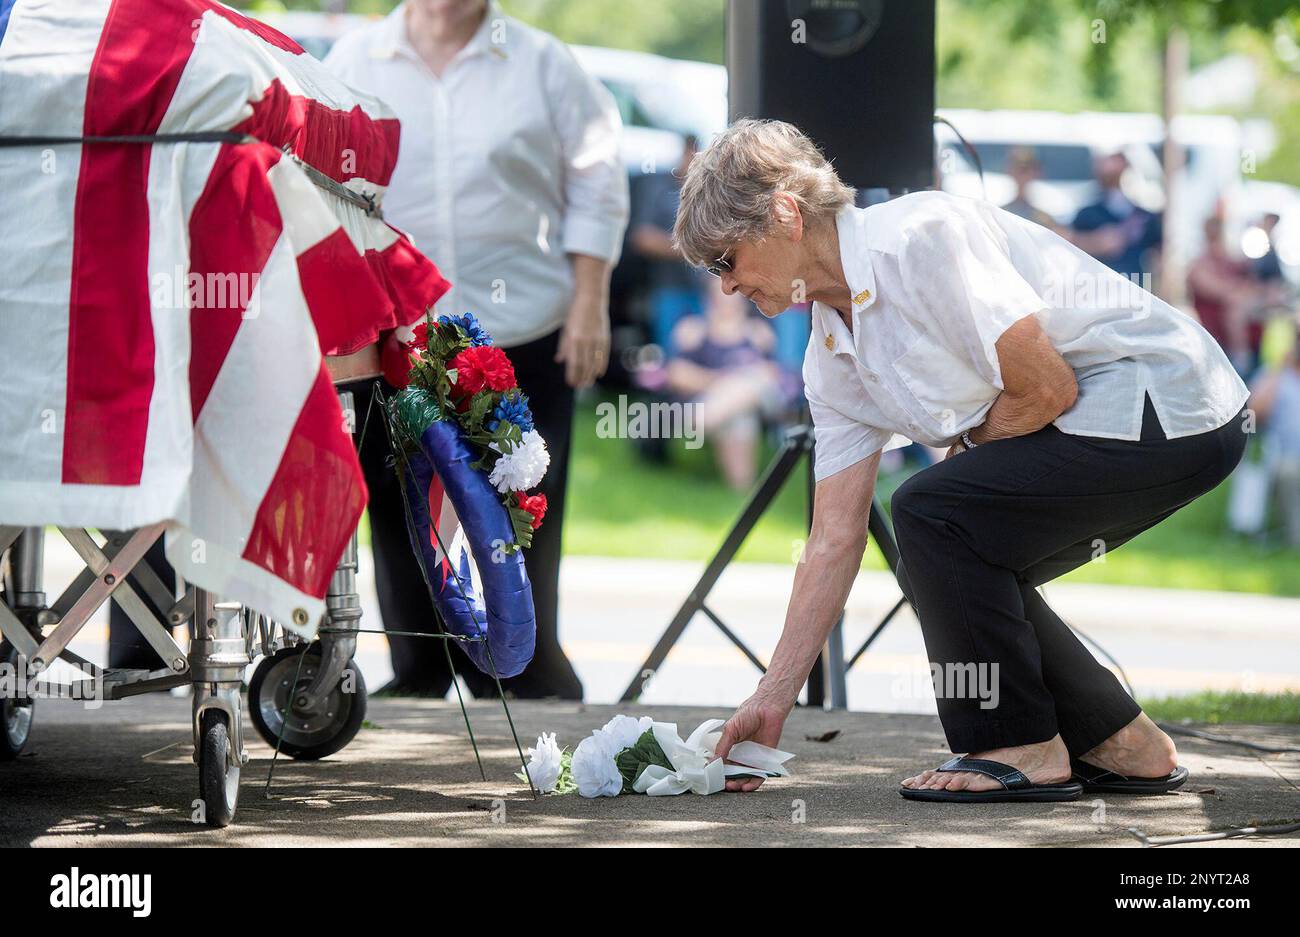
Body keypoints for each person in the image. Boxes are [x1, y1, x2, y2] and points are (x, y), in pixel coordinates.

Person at [674, 119, 1249, 803]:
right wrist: (771, 702)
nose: (727, 286)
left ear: (785, 215)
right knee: (950, 533)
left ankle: (1019, 742)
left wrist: (961, 460)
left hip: (1178, 401)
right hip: (1136, 418)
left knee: (932, 513)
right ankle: (1126, 743)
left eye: (725, 260)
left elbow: (1047, 388)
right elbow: (832, 540)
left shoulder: (919, 239)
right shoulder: (830, 355)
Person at [326, 0, 628, 699]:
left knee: (523, 502)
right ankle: (420, 672)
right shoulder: (352, 64)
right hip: (394, 335)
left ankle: (522, 668)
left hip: (524, 328)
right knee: (402, 508)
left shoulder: (544, 63)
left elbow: (597, 183)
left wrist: (591, 301)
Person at [664, 281, 797, 490]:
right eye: (720, 293)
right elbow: (676, 373)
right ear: (708, 298)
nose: (727, 298)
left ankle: (703, 419)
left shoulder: (758, 332)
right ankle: (743, 490)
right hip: (729, 404)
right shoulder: (693, 331)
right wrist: (723, 383)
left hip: (757, 394)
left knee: (748, 385)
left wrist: (731, 384)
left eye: (732, 293)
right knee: (739, 417)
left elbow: (771, 374)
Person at [630, 135, 708, 352]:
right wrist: (689, 249)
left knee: (704, 353)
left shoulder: (706, 191)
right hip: (670, 290)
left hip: (704, 291)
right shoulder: (658, 187)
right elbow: (642, 237)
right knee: (672, 355)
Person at [1070, 151, 1162, 281]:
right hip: (1099, 287)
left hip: (1135, 288)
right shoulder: (1087, 215)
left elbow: (1161, 253)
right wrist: (1095, 243)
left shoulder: (1146, 218)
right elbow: (1069, 246)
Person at [1187, 215, 1261, 377]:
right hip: (1217, 343)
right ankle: (1241, 356)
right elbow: (1220, 291)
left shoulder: (1228, 262)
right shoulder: (1200, 266)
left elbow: (1249, 285)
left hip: (1249, 340)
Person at [1248, 327, 1300, 548]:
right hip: (1285, 457)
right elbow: (1250, 418)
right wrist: (1279, 369)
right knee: (1291, 471)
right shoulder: (1275, 375)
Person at [999, 147, 1055, 230]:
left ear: (1036, 172)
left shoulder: (1045, 215)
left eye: (1025, 170)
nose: (1022, 175)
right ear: (1009, 170)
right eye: (1018, 169)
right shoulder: (1000, 212)